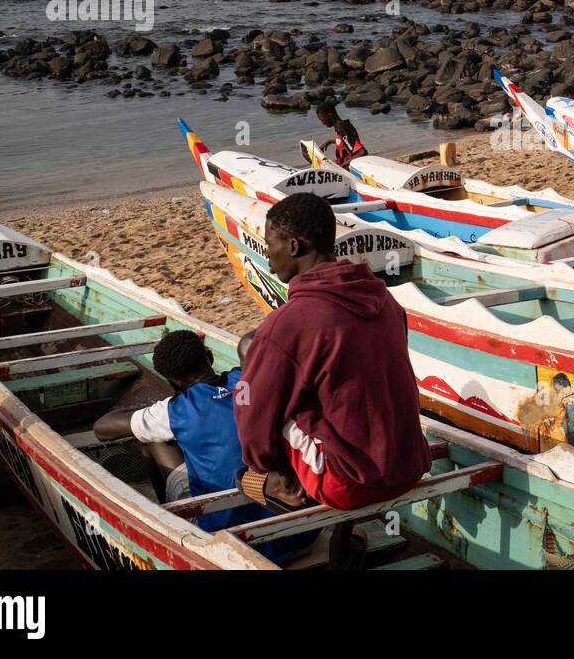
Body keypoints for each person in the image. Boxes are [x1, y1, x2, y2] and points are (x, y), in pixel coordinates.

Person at [233, 193, 430, 542]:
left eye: (270, 243)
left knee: (255, 389)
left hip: (350, 484)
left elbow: (253, 417)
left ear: (293, 246)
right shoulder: (385, 299)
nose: (267, 254)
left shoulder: (289, 323)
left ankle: (285, 488)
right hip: (409, 466)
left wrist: (260, 465)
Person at [93, 329, 315, 564]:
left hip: (230, 542)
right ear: (209, 357)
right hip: (302, 536)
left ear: (172, 382)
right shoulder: (247, 380)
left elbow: (102, 428)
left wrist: (152, 412)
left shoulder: (177, 409)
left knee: (154, 440)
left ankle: (170, 521)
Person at [315, 101, 368, 169]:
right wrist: (330, 141)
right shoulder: (340, 127)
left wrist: (341, 166)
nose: (322, 123)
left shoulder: (343, 129)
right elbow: (346, 141)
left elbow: (362, 152)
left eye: (322, 120)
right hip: (342, 165)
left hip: (348, 170)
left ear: (330, 115)